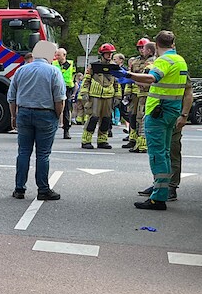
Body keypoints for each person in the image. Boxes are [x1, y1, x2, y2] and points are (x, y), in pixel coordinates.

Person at [123, 30, 191, 210]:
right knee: (166, 152)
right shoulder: (180, 60)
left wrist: (129, 75)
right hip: (172, 111)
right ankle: (162, 190)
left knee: (157, 154)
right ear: (173, 43)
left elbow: (152, 78)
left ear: (156, 44)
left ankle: (158, 197)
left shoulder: (163, 61)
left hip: (158, 113)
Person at [8, 39, 65, 200]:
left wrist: (13, 116)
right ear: (48, 54)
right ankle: (43, 189)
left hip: (24, 113)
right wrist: (58, 117)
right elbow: (59, 99)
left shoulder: (21, 70)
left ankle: (19, 189)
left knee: (23, 152)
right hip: (46, 114)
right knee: (43, 154)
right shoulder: (54, 71)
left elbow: (11, 97)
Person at [80, 43, 121, 149]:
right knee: (93, 118)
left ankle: (102, 140)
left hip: (108, 97)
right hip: (95, 96)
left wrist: (117, 96)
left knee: (106, 119)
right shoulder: (94, 66)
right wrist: (84, 93)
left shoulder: (114, 67)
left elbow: (117, 83)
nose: (109, 56)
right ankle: (86, 140)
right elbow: (86, 80)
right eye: (107, 53)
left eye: (111, 54)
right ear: (102, 54)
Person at [127, 39, 154, 152]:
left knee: (143, 118)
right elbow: (129, 79)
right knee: (135, 117)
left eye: (144, 48)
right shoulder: (135, 62)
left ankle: (142, 144)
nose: (142, 50)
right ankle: (136, 141)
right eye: (140, 48)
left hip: (147, 93)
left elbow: (143, 78)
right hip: (136, 93)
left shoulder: (153, 62)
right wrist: (127, 92)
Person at [52, 48, 76, 139]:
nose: (56, 57)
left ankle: (66, 130)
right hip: (55, 87)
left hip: (67, 89)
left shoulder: (70, 64)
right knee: (53, 109)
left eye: (58, 55)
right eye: (56, 55)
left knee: (66, 110)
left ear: (64, 55)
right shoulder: (53, 63)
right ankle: (52, 129)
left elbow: (73, 76)